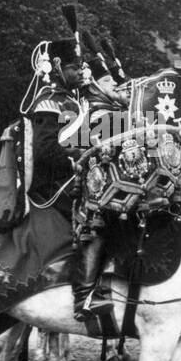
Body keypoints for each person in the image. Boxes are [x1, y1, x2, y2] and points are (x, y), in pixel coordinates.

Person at [23, 37, 108, 323]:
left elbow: (84, 140)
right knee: (95, 218)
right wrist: (78, 159)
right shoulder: (48, 101)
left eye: (81, 67)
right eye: (74, 67)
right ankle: (83, 297)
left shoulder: (75, 101)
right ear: (57, 65)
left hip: (73, 179)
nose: (80, 73)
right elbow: (45, 151)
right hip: (52, 185)